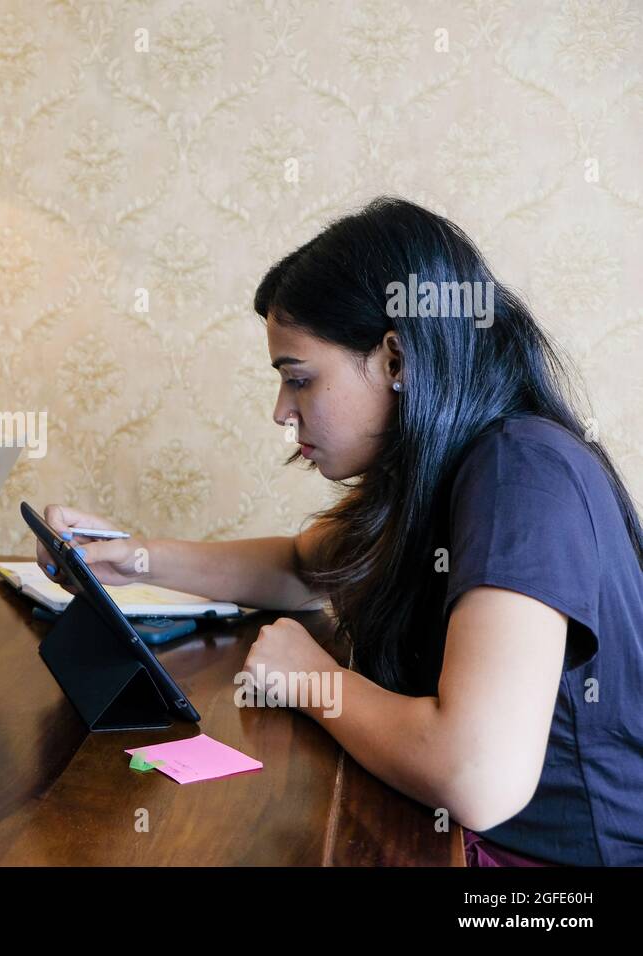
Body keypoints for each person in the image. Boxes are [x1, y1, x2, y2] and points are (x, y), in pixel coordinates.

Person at [37, 197, 643, 866]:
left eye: (299, 379)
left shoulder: (521, 475)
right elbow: (303, 567)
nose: (280, 411)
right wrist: (129, 558)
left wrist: (312, 680)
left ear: (394, 360)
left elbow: (478, 775)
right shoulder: (443, 464)